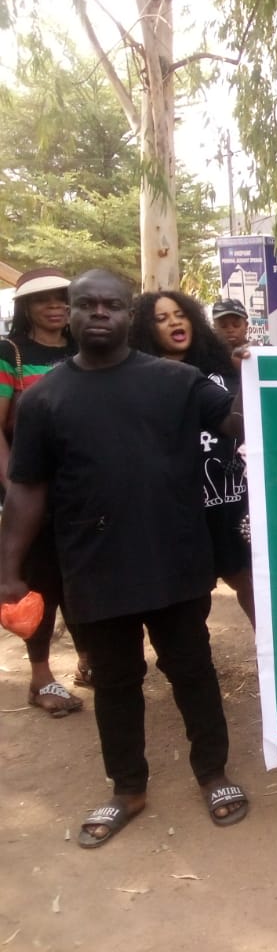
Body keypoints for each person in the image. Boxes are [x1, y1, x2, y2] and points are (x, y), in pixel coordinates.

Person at [0, 269, 251, 848]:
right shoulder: (46, 399)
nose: (98, 314)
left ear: (125, 313)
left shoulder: (176, 381)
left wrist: (269, 377)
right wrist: (10, 570)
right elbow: (28, 487)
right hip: (92, 563)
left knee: (192, 670)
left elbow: (235, 423)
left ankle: (213, 774)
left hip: (176, 556)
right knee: (115, 680)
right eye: (85, 305)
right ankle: (127, 788)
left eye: (110, 304)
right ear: (75, 314)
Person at [128, 291, 255, 627]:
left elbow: (240, 421)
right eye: (162, 317)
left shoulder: (224, 367)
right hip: (180, 508)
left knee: (251, 583)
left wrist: (246, 375)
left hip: (233, 500)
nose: (174, 321)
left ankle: (272, 662)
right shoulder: (139, 380)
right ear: (145, 328)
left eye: (180, 314)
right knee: (189, 600)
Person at [0, 267, 91, 715]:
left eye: (62, 298)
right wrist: (16, 486)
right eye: (43, 300)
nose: (55, 306)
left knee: (83, 577)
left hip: (84, 490)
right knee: (42, 583)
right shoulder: (9, 352)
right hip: (33, 491)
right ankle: (40, 678)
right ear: (26, 307)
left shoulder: (84, 350)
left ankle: (88, 661)